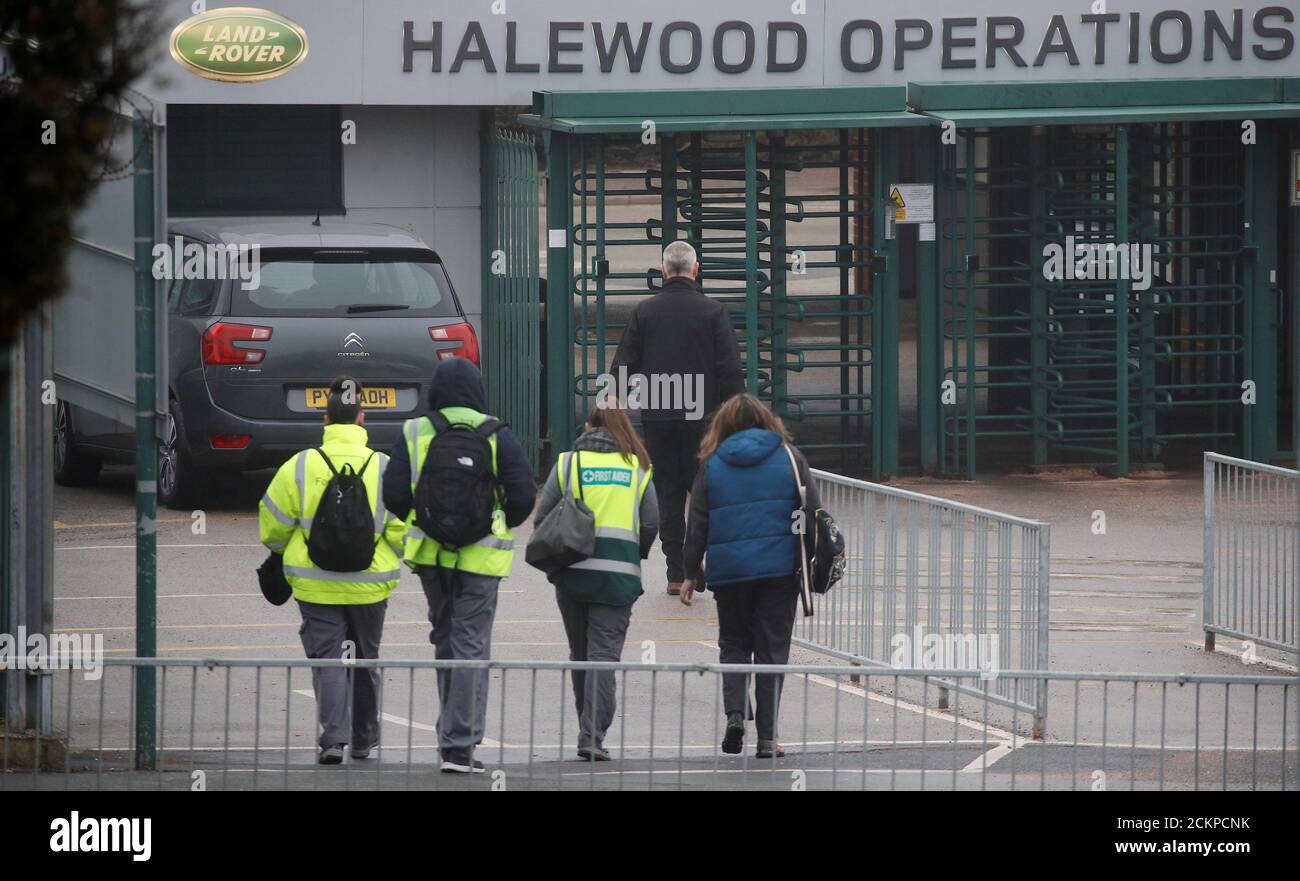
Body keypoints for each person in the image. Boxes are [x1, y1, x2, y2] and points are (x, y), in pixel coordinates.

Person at [382, 357, 535, 774]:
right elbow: (523, 496)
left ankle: (451, 737)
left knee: (446, 641)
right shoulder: (495, 433)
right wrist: (495, 518)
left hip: (431, 558)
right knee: (471, 645)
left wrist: (426, 518)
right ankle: (459, 745)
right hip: (482, 558)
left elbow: (393, 495)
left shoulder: (415, 431)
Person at [259, 375, 406, 765]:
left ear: (324, 419)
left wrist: (284, 550)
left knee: (329, 661)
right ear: (362, 419)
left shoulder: (300, 466)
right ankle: (363, 739)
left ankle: (332, 741)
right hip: (370, 587)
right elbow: (402, 532)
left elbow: (272, 526)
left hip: (315, 585)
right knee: (364, 659)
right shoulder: (384, 467)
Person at [679, 394, 819, 760]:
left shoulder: (713, 465)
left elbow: (698, 522)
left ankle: (736, 716)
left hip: (730, 572)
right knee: (772, 652)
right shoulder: (790, 457)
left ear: (722, 425)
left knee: (734, 644)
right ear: (767, 420)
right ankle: (768, 739)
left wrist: (690, 572)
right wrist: (808, 556)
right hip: (779, 570)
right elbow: (810, 511)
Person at [611, 239, 744, 595]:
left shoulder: (645, 311)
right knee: (707, 491)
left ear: (664, 270)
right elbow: (729, 370)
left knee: (668, 492)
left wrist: (609, 410)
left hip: (658, 415)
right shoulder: (714, 312)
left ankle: (675, 572)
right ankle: (704, 564)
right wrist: (737, 419)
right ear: (695, 269)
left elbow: (624, 365)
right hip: (704, 419)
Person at [533, 403, 658, 761]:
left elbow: (543, 518)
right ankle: (592, 735)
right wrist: (634, 552)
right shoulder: (637, 468)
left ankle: (586, 727)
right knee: (603, 656)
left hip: (572, 573)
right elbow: (651, 522)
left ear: (588, 425)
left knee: (581, 655)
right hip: (618, 576)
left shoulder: (568, 464)